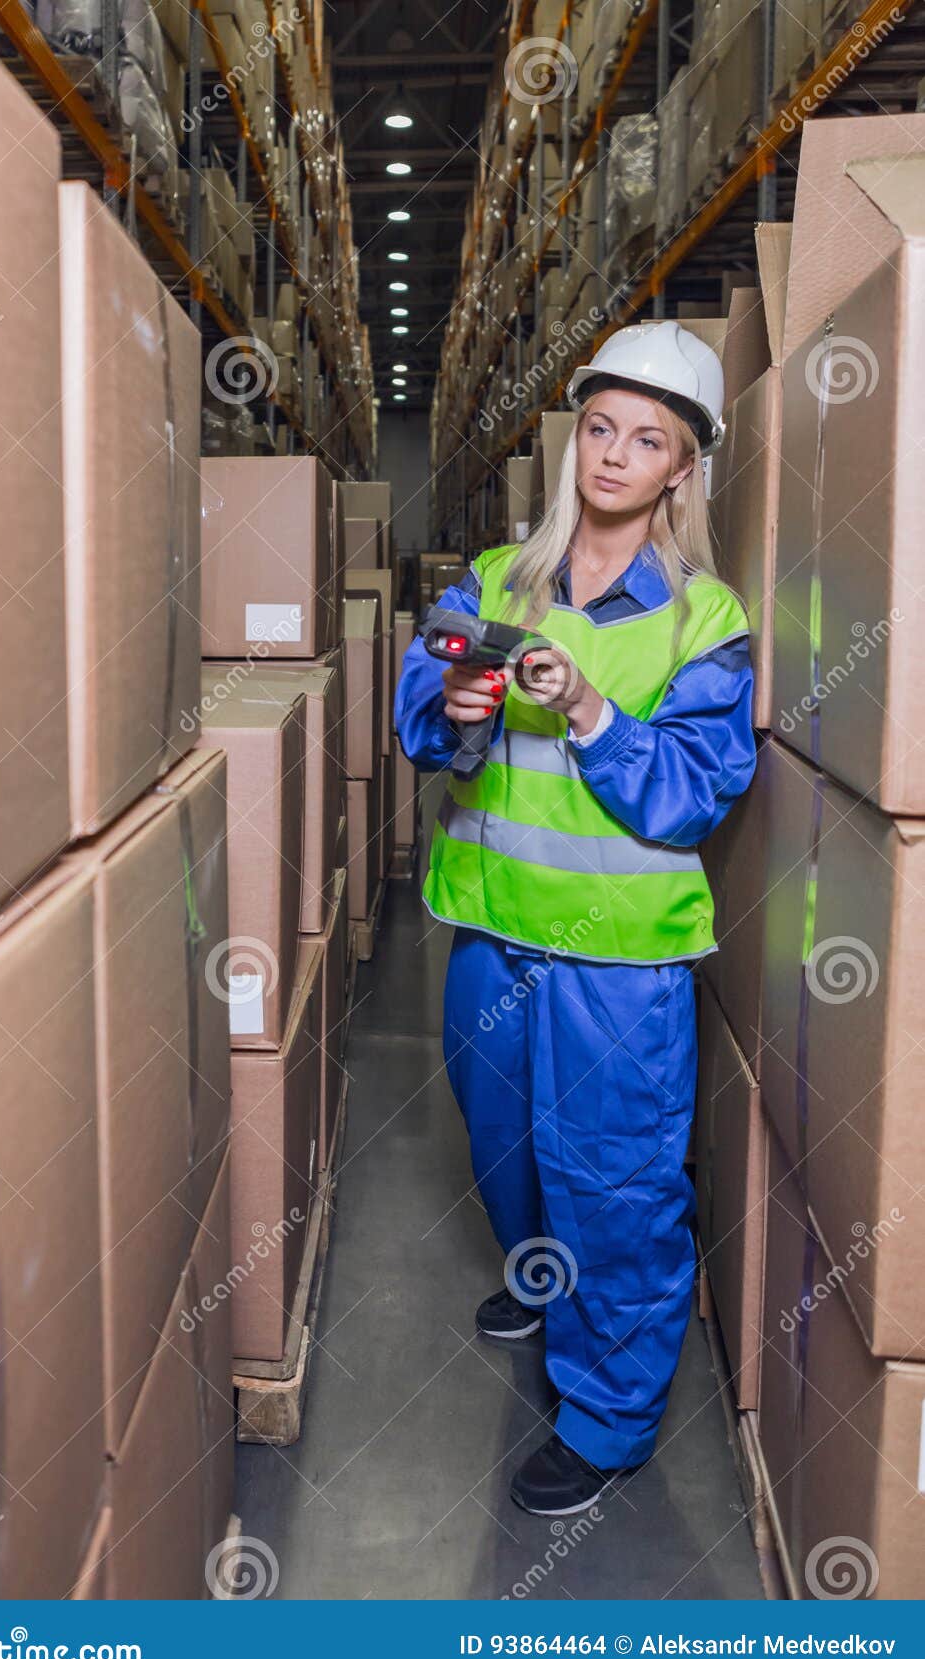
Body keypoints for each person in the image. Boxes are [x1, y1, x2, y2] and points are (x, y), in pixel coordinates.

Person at [395, 322, 756, 1517]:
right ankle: (546, 1280)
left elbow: (695, 792)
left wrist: (594, 710)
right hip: (493, 934)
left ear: (679, 469)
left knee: (612, 1181)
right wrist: (460, 706)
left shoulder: (702, 617)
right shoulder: (497, 581)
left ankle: (606, 1417)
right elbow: (421, 721)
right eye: (598, 426)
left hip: (616, 961)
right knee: (500, 1146)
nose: (612, 454)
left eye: (644, 437)